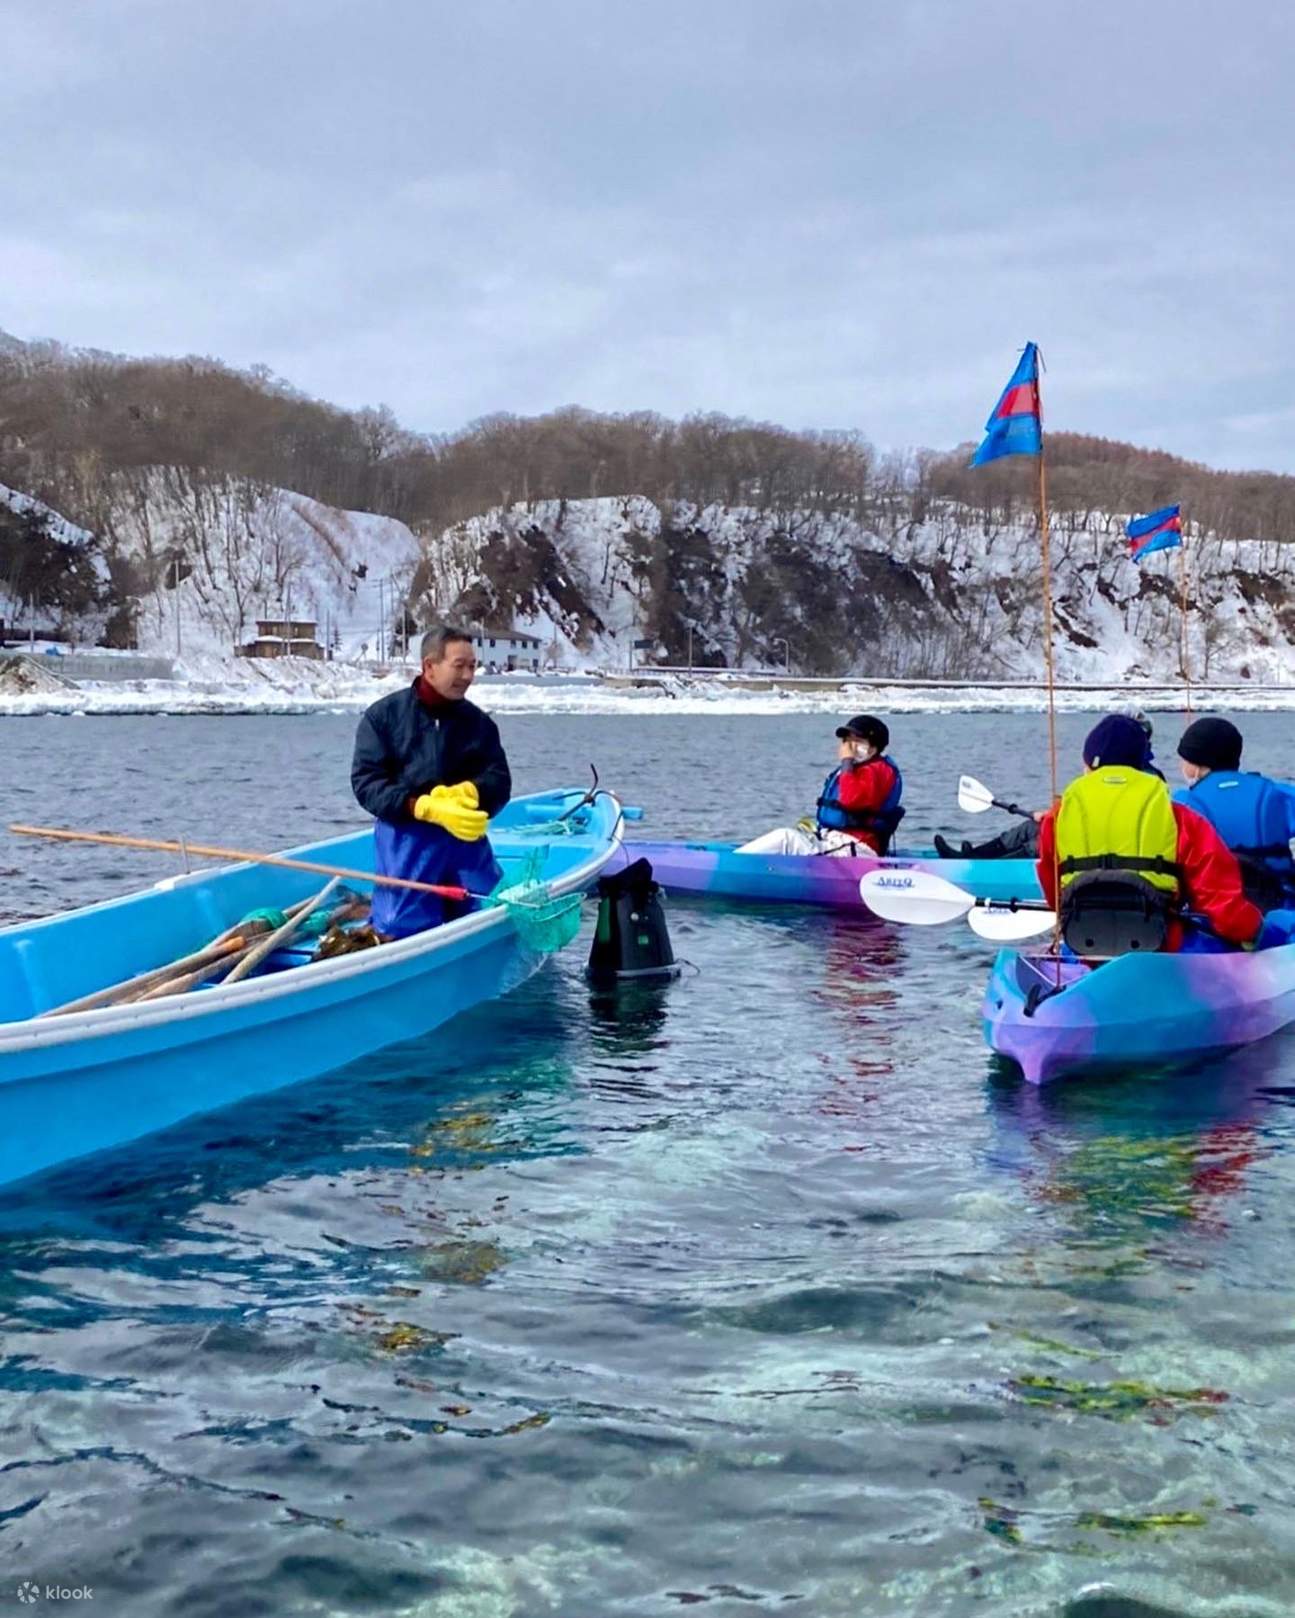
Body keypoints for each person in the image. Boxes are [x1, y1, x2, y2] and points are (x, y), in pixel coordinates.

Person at [1035, 713, 1262, 955]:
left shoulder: (1058, 817)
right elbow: (1220, 901)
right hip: (1161, 948)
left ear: (1088, 765)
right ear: (1141, 763)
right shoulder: (1178, 816)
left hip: (1083, 942)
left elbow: (1054, 894)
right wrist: (1252, 932)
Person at [351, 623, 511, 939]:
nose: (468, 676)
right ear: (429, 667)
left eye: (472, 666)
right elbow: (367, 783)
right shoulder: (383, 717)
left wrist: (471, 792)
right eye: (459, 666)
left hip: (466, 843)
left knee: (488, 911)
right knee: (400, 926)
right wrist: (421, 807)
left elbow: (500, 780)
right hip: (407, 843)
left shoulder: (479, 724)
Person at [934, 708, 1156, 861]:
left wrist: (1054, 818)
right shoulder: (1111, 773)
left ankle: (989, 869)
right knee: (1030, 828)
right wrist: (1052, 814)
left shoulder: (1147, 778)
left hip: (1102, 846)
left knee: (1042, 839)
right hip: (1087, 835)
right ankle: (974, 857)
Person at [1173, 716, 1295, 910]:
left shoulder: (1181, 803)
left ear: (1198, 764)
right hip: (1280, 905)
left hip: (1210, 912)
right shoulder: (1276, 793)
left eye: (1184, 759)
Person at [737, 715, 904, 857]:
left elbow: (850, 800)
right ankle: (739, 859)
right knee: (791, 836)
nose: (850, 747)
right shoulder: (860, 768)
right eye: (847, 741)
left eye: (857, 741)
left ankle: (733, 864)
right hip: (837, 840)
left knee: (785, 838)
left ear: (874, 747)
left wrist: (846, 761)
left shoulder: (876, 770)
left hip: (857, 847)